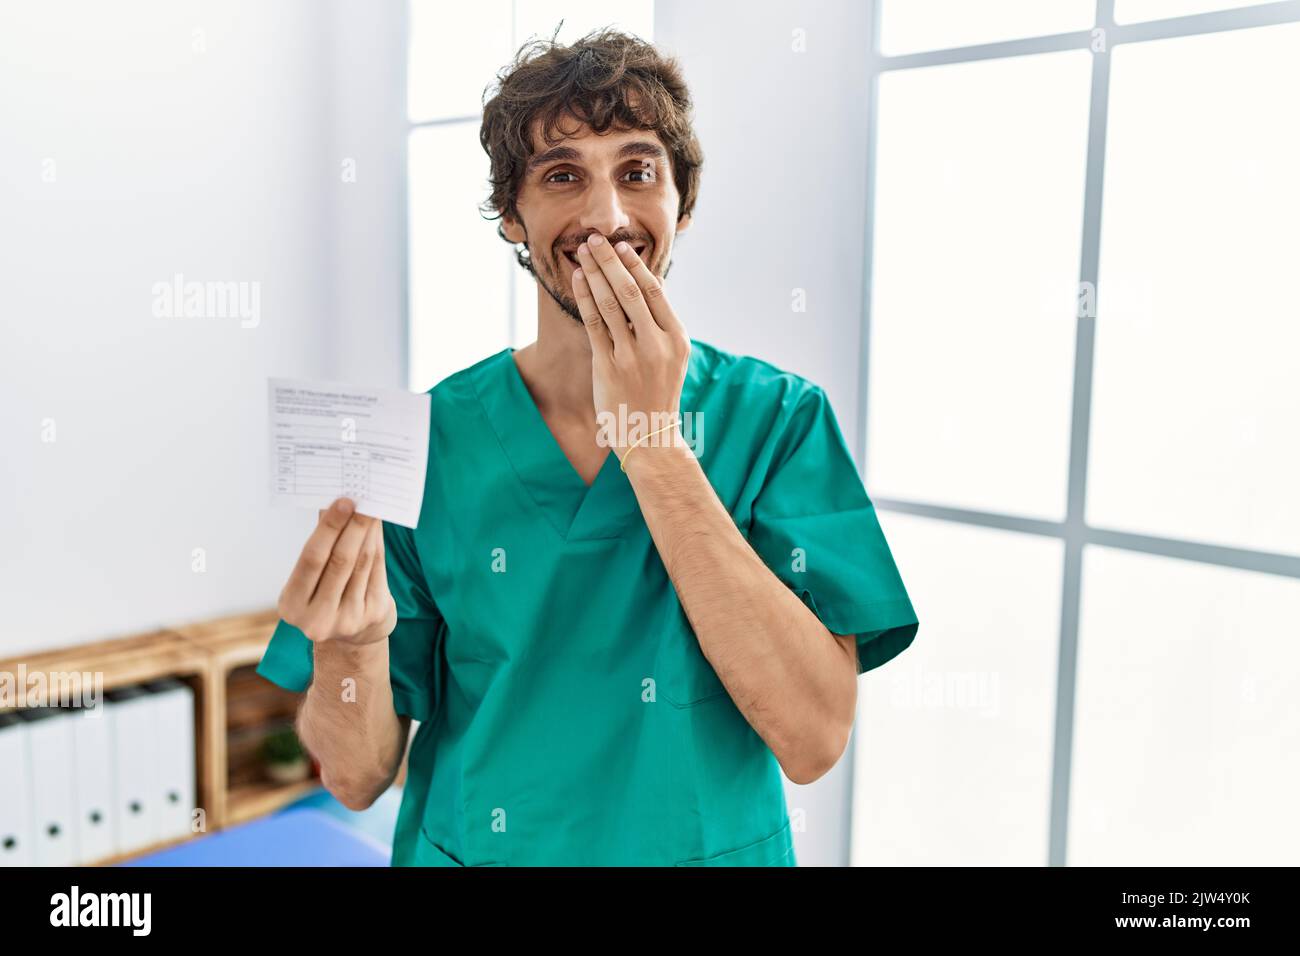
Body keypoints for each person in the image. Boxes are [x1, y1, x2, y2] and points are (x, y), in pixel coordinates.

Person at [256, 26, 918, 867]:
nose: (607, 218)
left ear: (683, 203)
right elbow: (354, 780)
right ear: (511, 216)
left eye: (637, 172)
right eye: (563, 175)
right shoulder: (427, 441)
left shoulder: (778, 422)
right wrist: (346, 647)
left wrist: (653, 446)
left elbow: (815, 738)